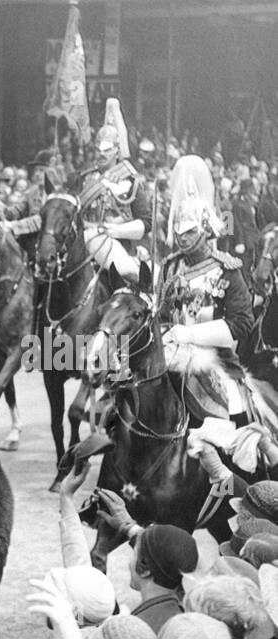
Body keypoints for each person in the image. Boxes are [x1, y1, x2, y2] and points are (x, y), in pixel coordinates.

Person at [158, 156, 259, 488]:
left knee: (232, 401)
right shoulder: (170, 266)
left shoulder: (227, 268)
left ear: (205, 230)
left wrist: (190, 333)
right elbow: (160, 314)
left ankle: (242, 476)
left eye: (190, 232)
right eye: (179, 232)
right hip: (170, 353)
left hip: (213, 358)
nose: (183, 239)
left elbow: (242, 322)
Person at [79, 99, 151, 288]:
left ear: (117, 150)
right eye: (98, 149)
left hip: (117, 246)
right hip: (84, 244)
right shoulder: (86, 179)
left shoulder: (130, 181)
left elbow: (146, 221)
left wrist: (113, 231)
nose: (102, 154)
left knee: (128, 273)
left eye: (107, 150)